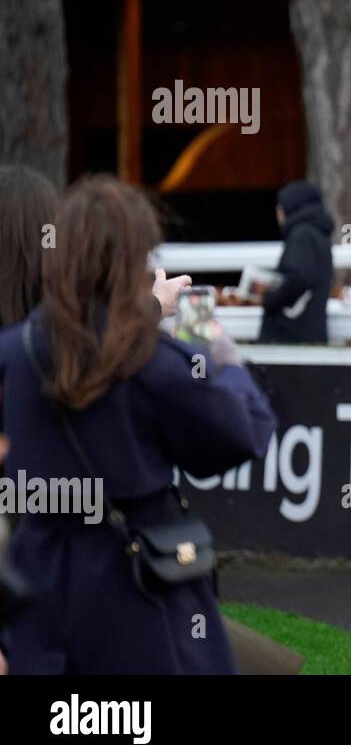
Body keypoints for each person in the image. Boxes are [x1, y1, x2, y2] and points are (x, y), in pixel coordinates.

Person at [0, 176, 275, 674]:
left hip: (38, 588)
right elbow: (241, 434)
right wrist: (227, 365)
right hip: (134, 595)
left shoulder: (14, 353)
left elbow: (85, 342)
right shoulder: (155, 362)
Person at [258, 181, 333, 345]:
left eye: (281, 206)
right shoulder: (318, 234)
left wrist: (270, 299)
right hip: (310, 332)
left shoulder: (301, 236)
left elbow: (297, 278)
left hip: (290, 334)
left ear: (292, 207)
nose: (277, 211)